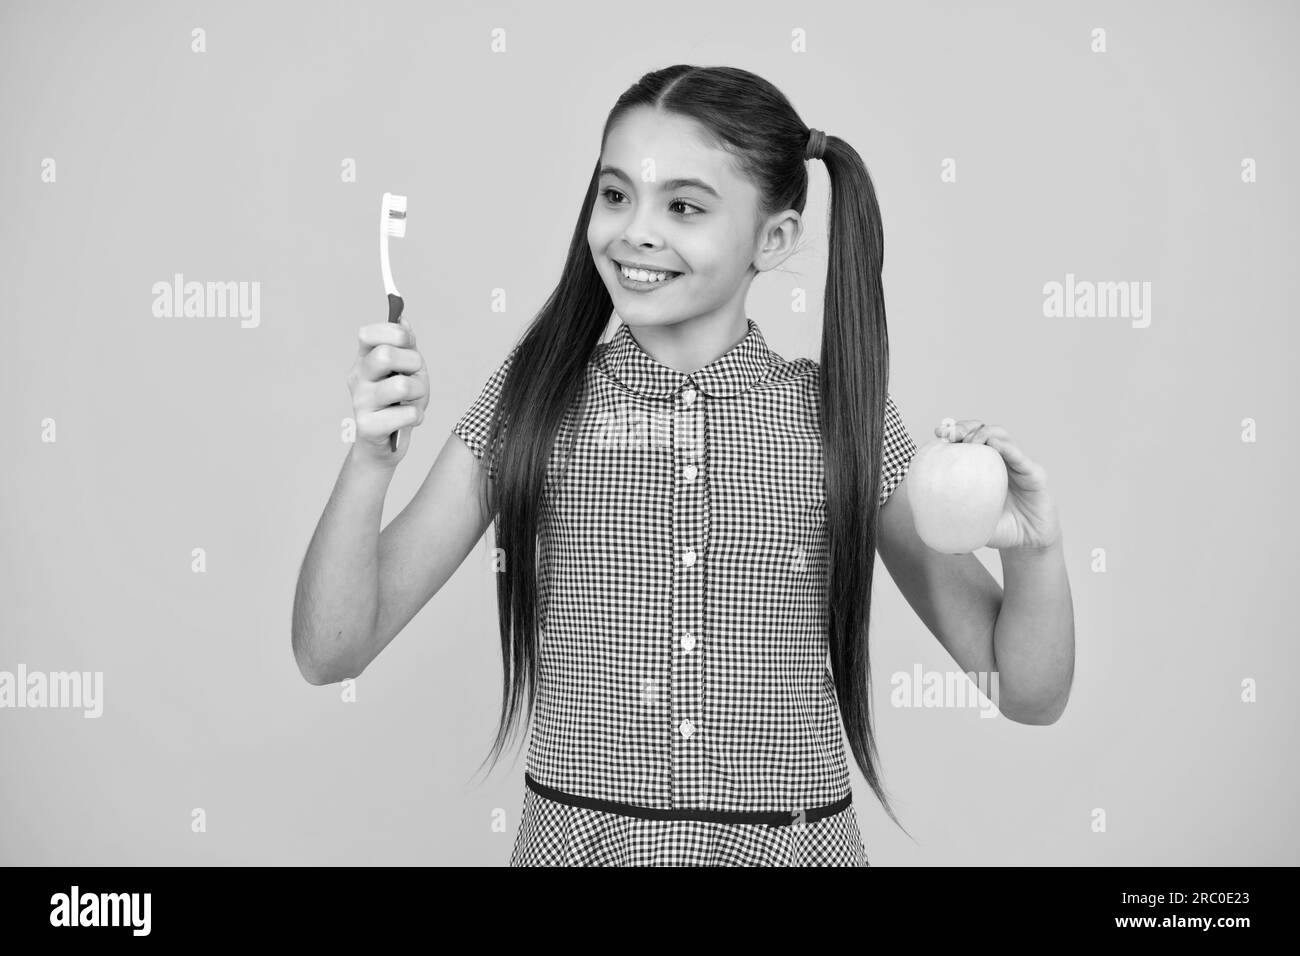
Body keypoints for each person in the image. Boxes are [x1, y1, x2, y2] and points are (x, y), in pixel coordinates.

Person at [292, 64, 1076, 867]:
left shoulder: (843, 421)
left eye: (685, 207)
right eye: (615, 194)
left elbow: (1026, 692)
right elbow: (332, 652)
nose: (634, 230)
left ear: (773, 240)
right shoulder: (531, 402)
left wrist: (1033, 547)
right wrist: (368, 461)